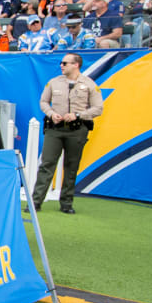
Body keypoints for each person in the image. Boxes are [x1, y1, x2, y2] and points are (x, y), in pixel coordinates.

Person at [32, 53, 104, 213]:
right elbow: (43, 101)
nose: (61, 65)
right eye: (61, 63)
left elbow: (98, 108)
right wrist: (51, 113)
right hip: (55, 128)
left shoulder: (89, 84)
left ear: (76, 65)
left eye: (65, 63)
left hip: (77, 129)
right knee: (47, 164)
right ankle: (36, 202)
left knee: (71, 166)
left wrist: (78, 115)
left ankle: (66, 204)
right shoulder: (54, 82)